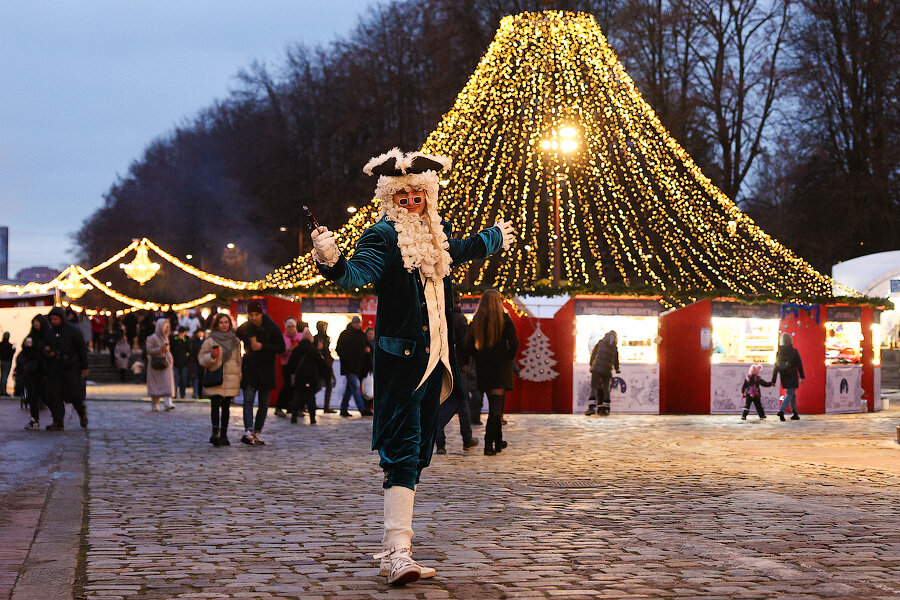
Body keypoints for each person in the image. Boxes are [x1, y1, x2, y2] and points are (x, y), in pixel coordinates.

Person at [311, 148, 513, 585]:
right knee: (403, 453)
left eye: (417, 196)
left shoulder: (434, 237)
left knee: (416, 456)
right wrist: (330, 261)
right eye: (402, 197)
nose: (410, 203)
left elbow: (458, 248)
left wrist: (493, 237)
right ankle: (400, 552)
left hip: (436, 363)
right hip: (403, 364)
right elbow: (356, 274)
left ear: (428, 197)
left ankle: (391, 547)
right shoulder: (382, 236)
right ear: (389, 199)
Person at [466, 290, 519, 457]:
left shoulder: (477, 320)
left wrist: (479, 357)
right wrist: (507, 358)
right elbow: (515, 343)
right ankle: (489, 444)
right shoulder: (504, 319)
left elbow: (468, 345)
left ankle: (498, 442)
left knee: (495, 405)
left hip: (484, 368)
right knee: (496, 408)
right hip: (500, 367)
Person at [236, 300, 286, 445]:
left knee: (264, 404)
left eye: (256, 314)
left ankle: (257, 431)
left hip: (266, 370)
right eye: (251, 314)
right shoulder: (245, 328)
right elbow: (235, 337)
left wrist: (263, 346)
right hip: (250, 369)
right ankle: (248, 430)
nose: (253, 317)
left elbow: (281, 347)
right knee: (248, 401)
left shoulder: (272, 327)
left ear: (261, 314)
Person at [436, 303, 478, 454]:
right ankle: (467, 439)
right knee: (463, 403)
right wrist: (465, 362)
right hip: (458, 366)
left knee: (439, 402)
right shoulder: (460, 319)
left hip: (439, 364)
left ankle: (440, 443)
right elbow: (466, 343)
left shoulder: (438, 316)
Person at [198, 313, 242, 446]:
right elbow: (201, 359)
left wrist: (239, 377)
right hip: (216, 377)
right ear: (217, 325)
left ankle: (224, 434)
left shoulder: (236, 341)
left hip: (231, 377)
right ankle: (215, 432)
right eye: (221, 323)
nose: (224, 325)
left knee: (227, 407)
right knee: (215, 406)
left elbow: (238, 361)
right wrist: (210, 357)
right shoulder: (210, 341)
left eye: (226, 322)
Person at [44, 307, 89, 430]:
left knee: (74, 396)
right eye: (51, 319)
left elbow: (81, 349)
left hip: (71, 368)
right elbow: (46, 345)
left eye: (55, 319)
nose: (53, 321)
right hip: (55, 369)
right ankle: (58, 421)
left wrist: (84, 367)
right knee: (55, 396)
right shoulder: (50, 332)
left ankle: (81, 413)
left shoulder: (73, 331)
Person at [287, 326, 327, 423]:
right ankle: (312, 418)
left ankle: (294, 416)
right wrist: (325, 375)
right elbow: (321, 364)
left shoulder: (297, 350)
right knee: (311, 398)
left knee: (297, 396)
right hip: (311, 377)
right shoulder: (313, 350)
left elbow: (291, 364)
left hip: (299, 377)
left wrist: (291, 375)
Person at [335, 317, 370, 417]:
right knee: (354, 386)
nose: (358, 325)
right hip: (349, 366)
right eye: (356, 323)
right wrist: (346, 358)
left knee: (350, 388)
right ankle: (362, 409)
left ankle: (343, 408)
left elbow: (367, 347)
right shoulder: (345, 334)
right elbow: (339, 349)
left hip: (358, 366)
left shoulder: (361, 335)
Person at [21, 315, 50, 430]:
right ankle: (34, 419)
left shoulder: (47, 334)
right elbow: (25, 349)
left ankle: (57, 418)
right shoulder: (31, 335)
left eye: (38, 322)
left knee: (46, 394)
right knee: (32, 394)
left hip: (44, 369)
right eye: (34, 322)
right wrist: (26, 346)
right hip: (33, 370)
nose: (36, 325)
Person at [585, 331, 620, 416]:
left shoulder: (600, 343)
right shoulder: (614, 347)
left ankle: (592, 408)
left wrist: (591, 364)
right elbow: (616, 359)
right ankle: (606, 408)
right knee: (606, 388)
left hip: (597, 368)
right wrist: (617, 368)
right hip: (607, 370)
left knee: (594, 387)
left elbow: (593, 354)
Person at [772, 333, 805, 421]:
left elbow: (776, 366)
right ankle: (781, 411)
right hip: (792, 375)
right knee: (790, 393)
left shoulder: (779, 352)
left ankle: (795, 413)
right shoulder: (794, 351)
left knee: (792, 394)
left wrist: (773, 379)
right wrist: (802, 376)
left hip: (784, 376)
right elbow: (799, 364)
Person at [145, 318, 176, 411]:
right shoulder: (152, 338)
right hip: (155, 364)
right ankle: (155, 403)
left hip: (166, 364)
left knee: (167, 383)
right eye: (164, 327)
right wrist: (160, 349)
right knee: (155, 384)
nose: (166, 329)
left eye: (167, 327)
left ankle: (168, 402)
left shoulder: (166, 338)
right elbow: (149, 350)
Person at [275, 318, 303, 418]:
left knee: (298, 386)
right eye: (289, 327)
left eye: (293, 326)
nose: (291, 329)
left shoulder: (300, 336)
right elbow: (280, 352)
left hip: (298, 365)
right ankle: (279, 406)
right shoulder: (283, 338)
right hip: (287, 365)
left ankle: (296, 408)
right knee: (287, 385)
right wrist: (289, 349)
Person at [314, 321, 336, 413]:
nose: (325, 328)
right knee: (317, 386)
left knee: (329, 386)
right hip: (320, 365)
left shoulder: (326, 338)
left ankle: (326, 406)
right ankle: (309, 401)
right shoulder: (316, 338)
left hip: (327, 364)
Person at [169, 326, 192, 399]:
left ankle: (182, 394)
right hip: (175, 362)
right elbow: (171, 348)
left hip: (184, 363)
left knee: (184, 379)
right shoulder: (174, 339)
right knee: (175, 379)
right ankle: (174, 393)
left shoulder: (187, 340)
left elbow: (190, 349)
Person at [362, 326, 376, 413]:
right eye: (369, 333)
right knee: (367, 390)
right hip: (366, 370)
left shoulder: (375, 344)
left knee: (372, 389)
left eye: (372, 334)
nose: (371, 335)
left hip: (374, 370)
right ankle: (366, 407)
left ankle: (369, 408)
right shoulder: (364, 344)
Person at [189, 329, 206, 398]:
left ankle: (202, 393)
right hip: (196, 362)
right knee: (196, 377)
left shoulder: (205, 341)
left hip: (204, 362)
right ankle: (196, 392)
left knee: (203, 378)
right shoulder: (194, 341)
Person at [0, 331, 14, 396]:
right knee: (5, 377)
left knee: (2, 376)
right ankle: (3, 391)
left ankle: (1, 390)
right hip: (7, 362)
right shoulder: (9, 346)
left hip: (1, 361)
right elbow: (11, 354)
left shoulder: (0, 344)